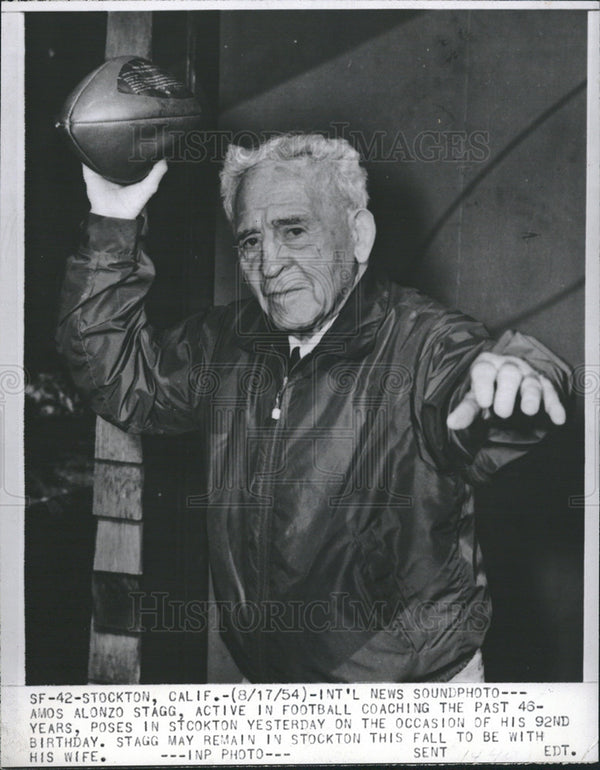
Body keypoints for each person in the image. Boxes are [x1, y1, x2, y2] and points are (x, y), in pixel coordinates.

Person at [56, 133, 571, 683]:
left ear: (358, 236)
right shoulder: (229, 342)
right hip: (278, 686)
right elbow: (117, 376)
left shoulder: (420, 342)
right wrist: (112, 221)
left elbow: (475, 380)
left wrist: (517, 374)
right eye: (250, 242)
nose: (270, 264)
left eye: (294, 231)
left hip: (410, 692)